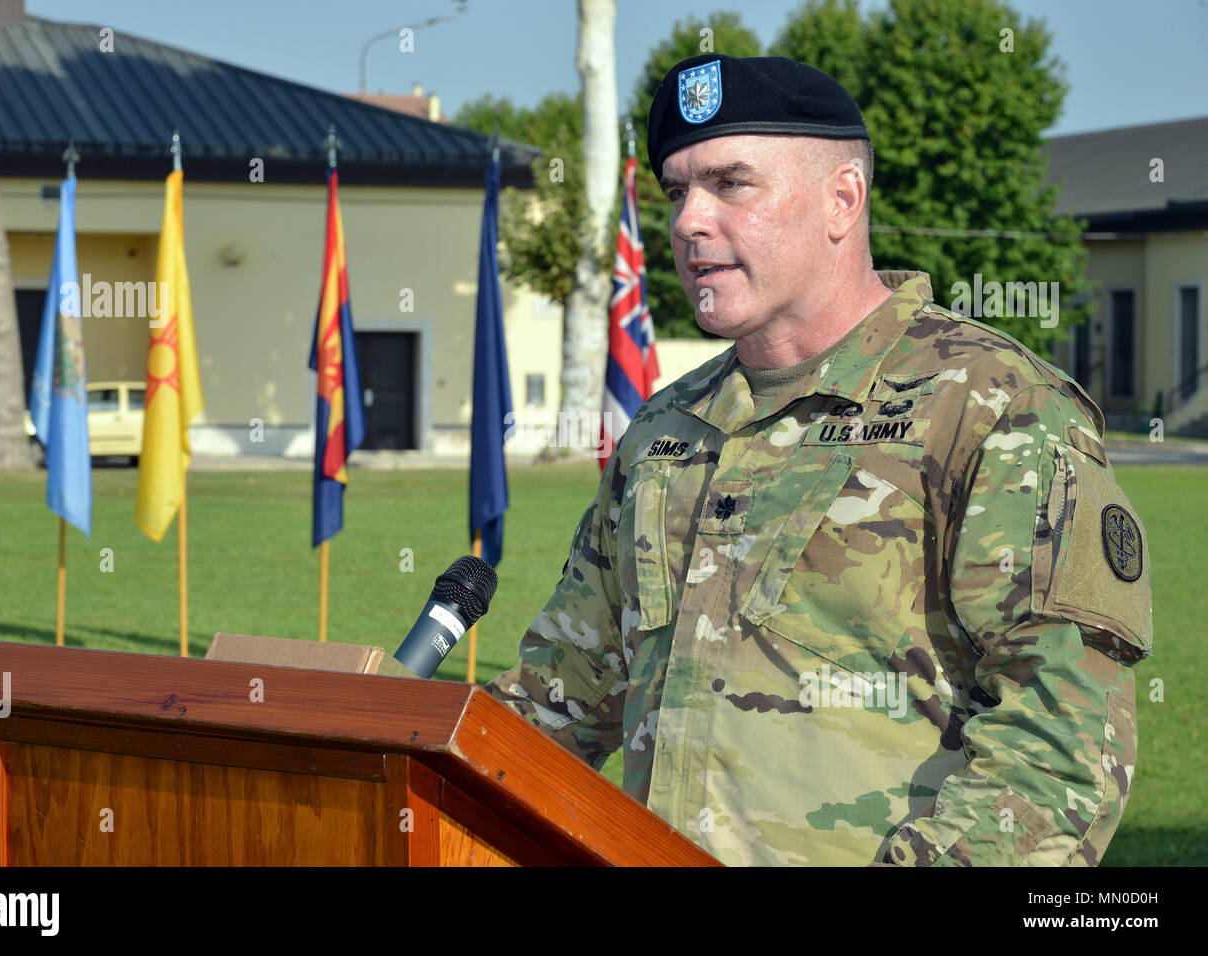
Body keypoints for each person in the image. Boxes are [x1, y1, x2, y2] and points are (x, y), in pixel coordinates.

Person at [484, 54, 1153, 866]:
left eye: (731, 184)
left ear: (843, 200)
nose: (690, 221)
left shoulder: (992, 407)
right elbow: (563, 698)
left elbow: (1061, 748)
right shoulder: (667, 429)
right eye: (676, 191)